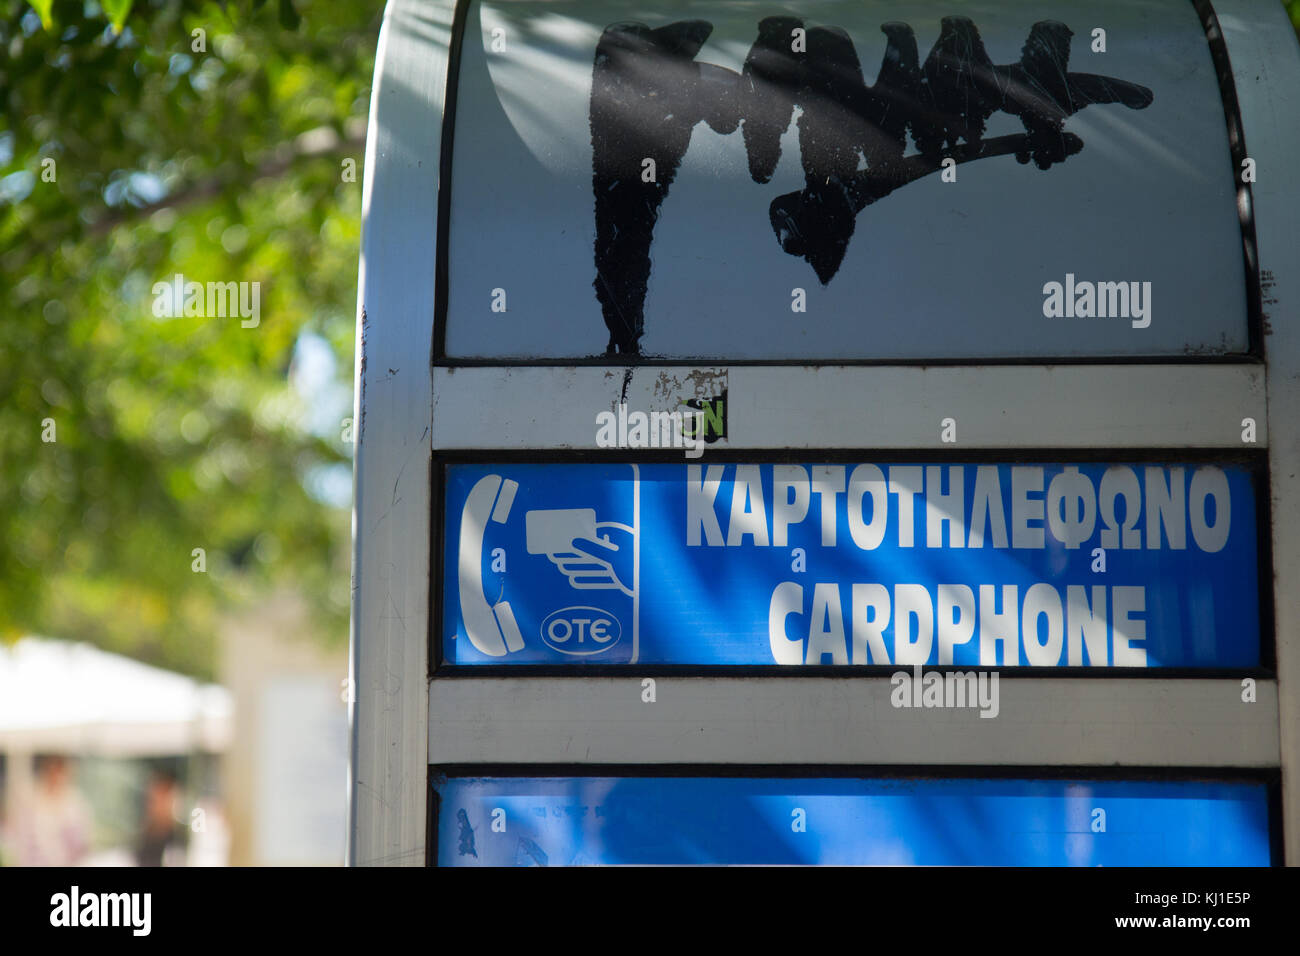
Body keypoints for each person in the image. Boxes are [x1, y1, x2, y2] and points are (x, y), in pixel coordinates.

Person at [13, 754, 93, 867]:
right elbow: (23, 841)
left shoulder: (75, 803)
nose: (56, 778)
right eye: (52, 772)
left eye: (60, 773)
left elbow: (82, 843)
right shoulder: (31, 800)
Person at [135, 768, 185, 867]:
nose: (159, 804)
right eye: (155, 799)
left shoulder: (181, 841)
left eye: (164, 797)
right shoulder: (142, 839)